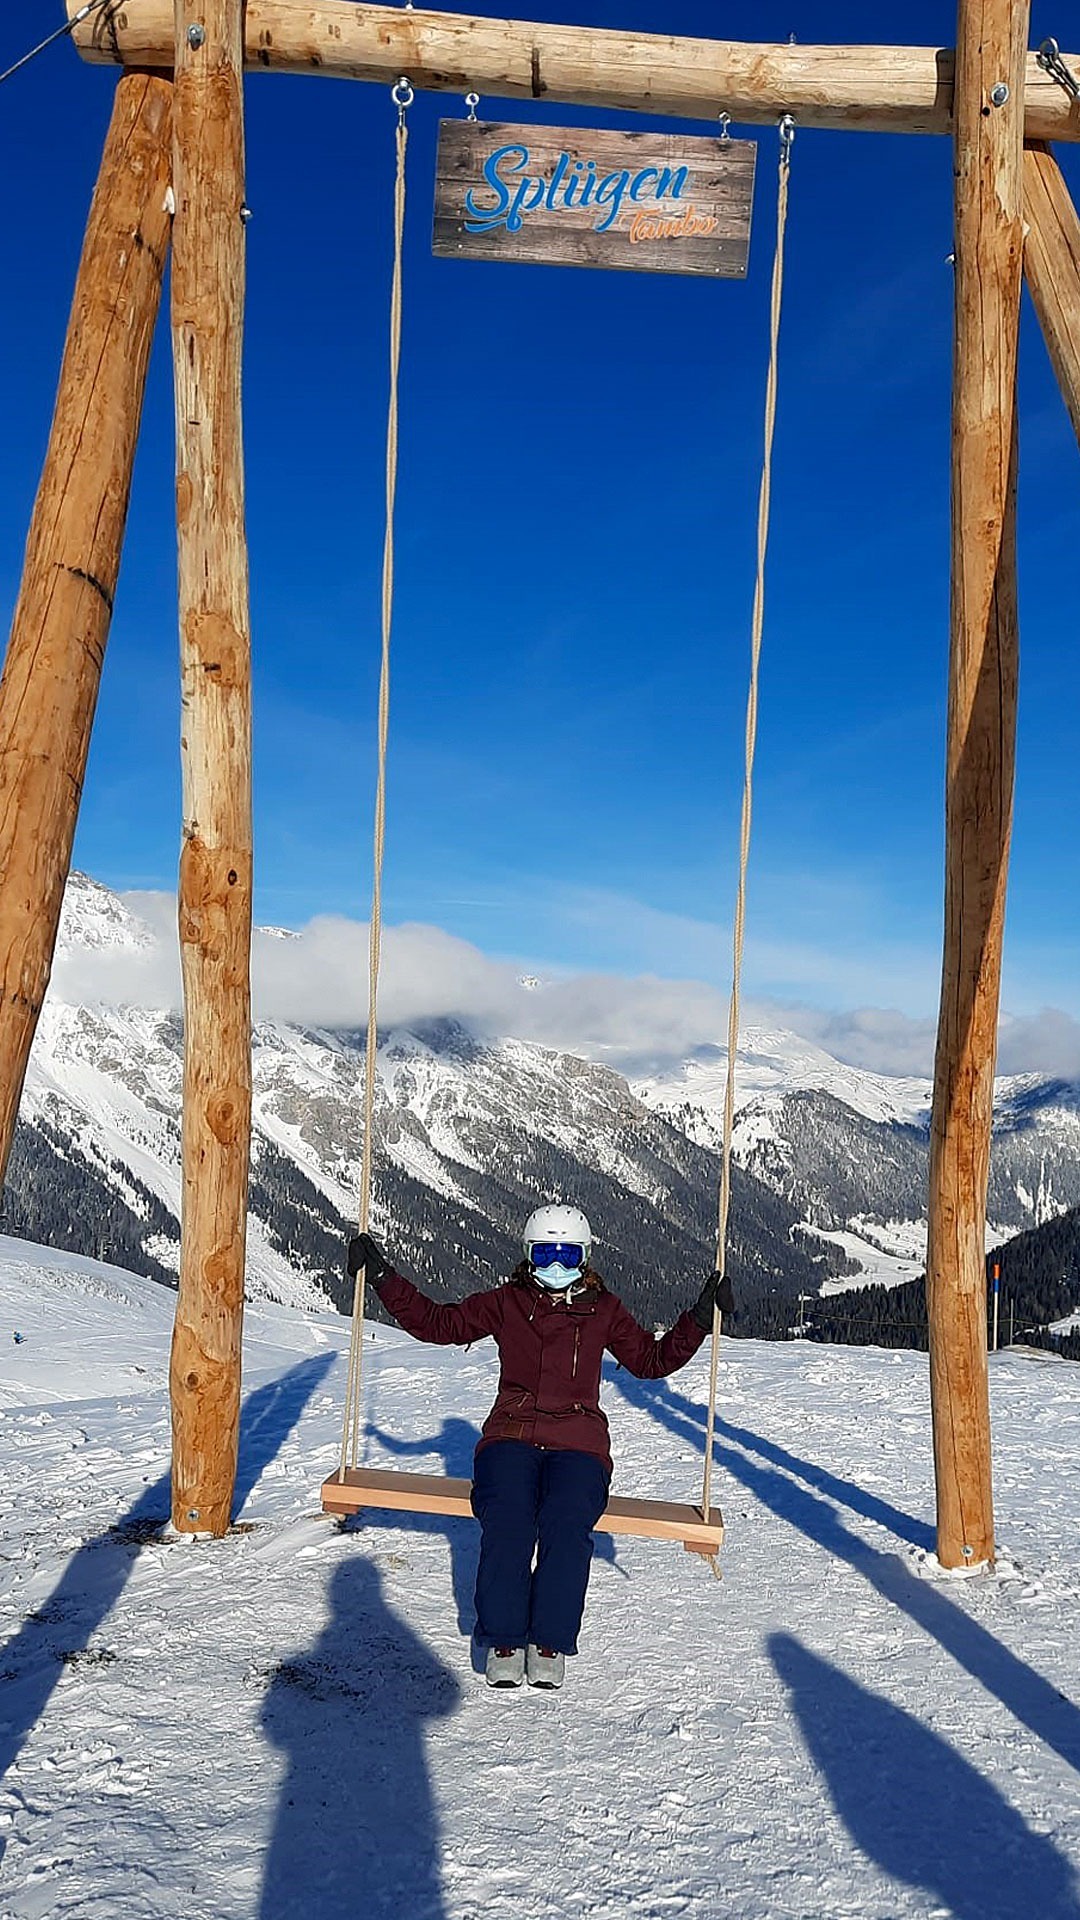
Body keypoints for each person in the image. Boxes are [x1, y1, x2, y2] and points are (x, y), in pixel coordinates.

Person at [347, 1202, 734, 1693]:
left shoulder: (604, 1310)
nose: (556, 1265)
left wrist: (700, 1318)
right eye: (546, 1253)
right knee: (508, 1517)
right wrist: (382, 1276)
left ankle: (549, 1641)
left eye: (567, 1254)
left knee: (567, 1522)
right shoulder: (507, 1303)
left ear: (584, 1257)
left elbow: (650, 1360)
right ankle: (505, 1640)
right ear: (529, 1255)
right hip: (511, 1434)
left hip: (579, 1441)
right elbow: (437, 1324)